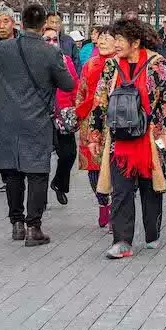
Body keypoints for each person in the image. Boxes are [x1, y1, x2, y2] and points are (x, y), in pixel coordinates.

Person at [0, 4, 75, 246]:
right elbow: (68, 85)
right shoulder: (50, 52)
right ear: (44, 26)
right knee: (37, 174)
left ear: (20, 24)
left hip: (6, 120)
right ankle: (34, 228)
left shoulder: (4, 48)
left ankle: (17, 224)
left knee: (12, 173)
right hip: (37, 121)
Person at [101, 19, 166, 259]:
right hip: (120, 138)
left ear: (135, 42)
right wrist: (95, 133)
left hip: (150, 137)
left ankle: (152, 232)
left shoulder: (157, 64)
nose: (115, 45)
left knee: (150, 188)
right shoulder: (111, 66)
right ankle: (122, 241)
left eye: (120, 40)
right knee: (121, 191)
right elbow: (101, 98)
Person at [75, 26, 117, 227]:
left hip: (115, 121)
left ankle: (118, 206)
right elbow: (81, 92)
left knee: (115, 164)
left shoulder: (122, 64)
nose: (101, 41)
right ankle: (103, 205)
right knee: (93, 165)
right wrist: (80, 113)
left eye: (107, 38)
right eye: (100, 38)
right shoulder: (90, 64)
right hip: (91, 121)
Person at [43, 25, 80, 205]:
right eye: (47, 39)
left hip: (64, 113)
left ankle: (59, 183)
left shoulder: (66, 60)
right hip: (42, 114)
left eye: (54, 39)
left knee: (69, 153)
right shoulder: (35, 61)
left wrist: (76, 108)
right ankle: (39, 199)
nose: (51, 43)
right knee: (41, 158)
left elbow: (74, 84)